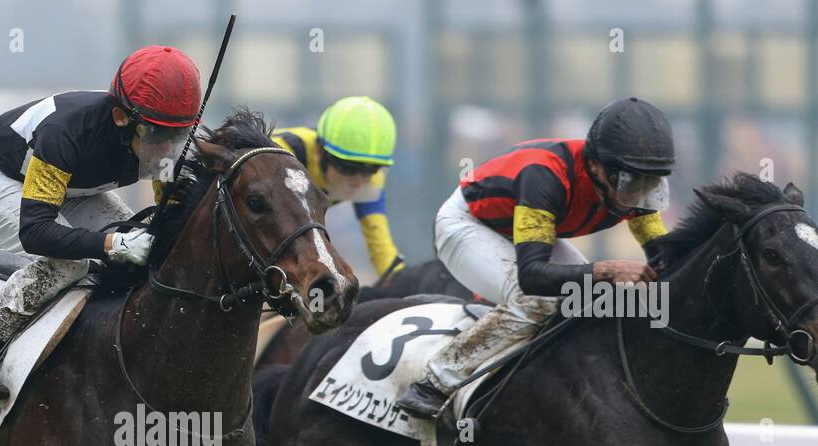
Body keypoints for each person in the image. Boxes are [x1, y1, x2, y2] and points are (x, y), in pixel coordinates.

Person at [0, 46, 202, 399]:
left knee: (144, 251)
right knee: (69, 264)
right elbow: (36, 232)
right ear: (121, 118)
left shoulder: (160, 132)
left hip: (75, 185)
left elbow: (168, 216)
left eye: (179, 134)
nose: (168, 147)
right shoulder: (66, 132)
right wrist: (112, 244)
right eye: (156, 135)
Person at [396, 96, 674, 419]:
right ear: (596, 166)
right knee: (538, 300)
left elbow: (665, 256)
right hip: (466, 224)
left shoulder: (631, 187)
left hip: (522, 229)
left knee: (595, 299)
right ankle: (435, 381)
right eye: (630, 183)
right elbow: (532, 277)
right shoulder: (545, 176)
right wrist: (606, 270)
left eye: (650, 183)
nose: (639, 196)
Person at [272, 95, 404, 282]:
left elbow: (381, 248)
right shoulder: (282, 155)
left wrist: (404, 285)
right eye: (348, 167)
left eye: (370, 170)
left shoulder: (371, 181)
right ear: (319, 151)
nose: (358, 181)